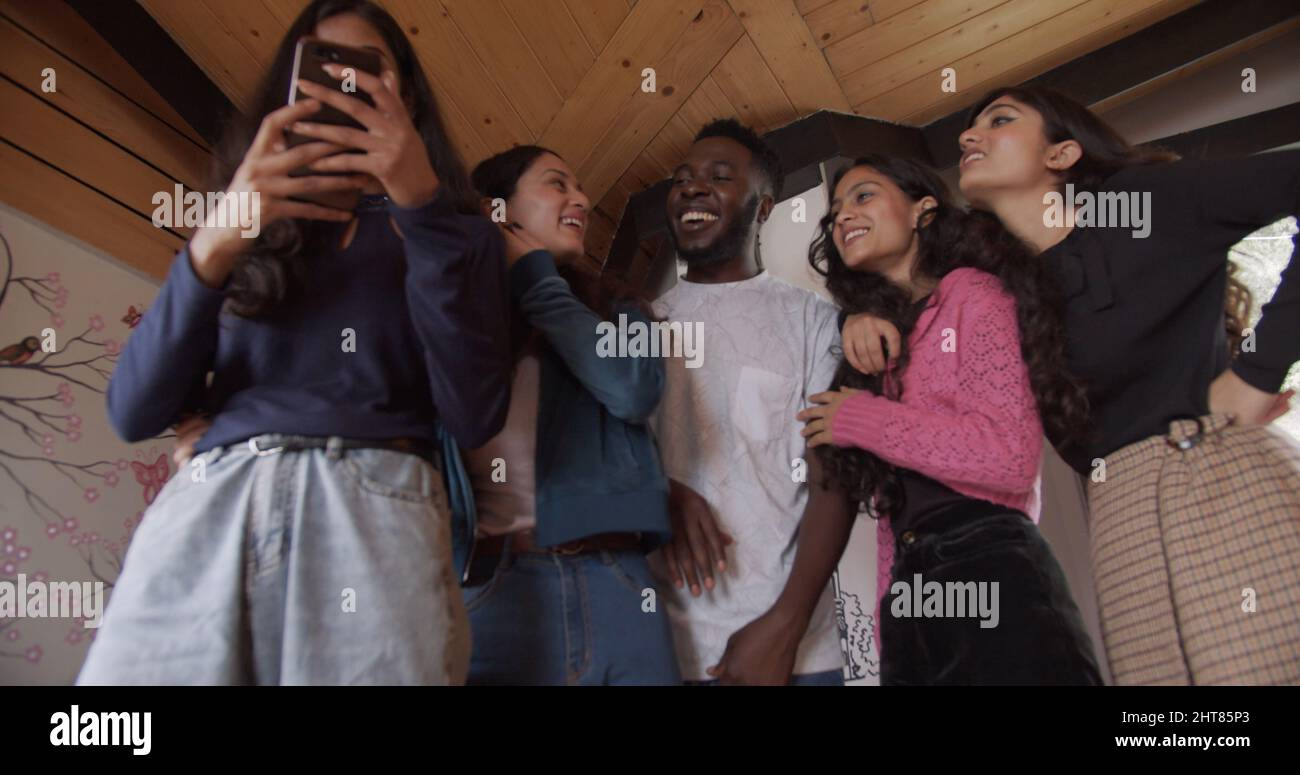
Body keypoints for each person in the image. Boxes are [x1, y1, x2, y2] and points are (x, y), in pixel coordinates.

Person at [78, 0, 510, 685]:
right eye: (321, 67)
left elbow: (473, 413)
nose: (341, 83)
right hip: (214, 502)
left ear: (406, 97)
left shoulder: (462, 234)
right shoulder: (244, 226)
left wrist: (421, 209)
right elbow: (133, 409)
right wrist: (217, 240)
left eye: (366, 71)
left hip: (375, 512)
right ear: (288, 90)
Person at [958, 85, 1300, 685]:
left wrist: (1258, 372)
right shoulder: (1003, 290)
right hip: (1121, 530)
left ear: (1061, 154)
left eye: (1000, 120)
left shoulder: (1146, 202)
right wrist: (866, 314)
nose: (968, 136)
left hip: (1225, 490)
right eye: (971, 127)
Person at [778, 155, 1101, 685]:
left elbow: (1009, 457)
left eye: (863, 196)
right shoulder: (878, 339)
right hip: (909, 584)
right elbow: (898, 512)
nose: (841, 217)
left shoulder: (973, 293)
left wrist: (860, 418)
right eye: (834, 210)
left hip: (990, 561)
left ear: (922, 210)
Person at [454, 145, 680, 685]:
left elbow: (630, 392)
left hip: (617, 582)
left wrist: (537, 280)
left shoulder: (620, 311)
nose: (580, 198)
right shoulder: (452, 315)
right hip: (490, 586)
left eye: (579, 187)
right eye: (557, 183)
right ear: (496, 211)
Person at [648, 119, 847, 685]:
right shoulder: (639, 325)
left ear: (763, 208)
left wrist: (784, 626)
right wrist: (662, 489)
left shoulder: (813, 320)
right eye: (682, 177)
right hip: (669, 651)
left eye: (718, 176)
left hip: (797, 653)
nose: (691, 187)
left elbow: (834, 477)